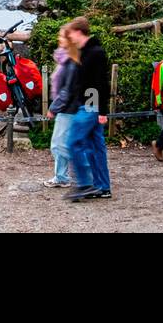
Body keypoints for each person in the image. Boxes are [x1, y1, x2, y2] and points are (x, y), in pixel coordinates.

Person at [64, 16, 112, 201]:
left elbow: (101, 83)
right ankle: (102, 186)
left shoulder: (93, 53)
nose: (71, 38)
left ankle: (85, 184)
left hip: (90, 105)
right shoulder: (87, 51)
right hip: (91, 104)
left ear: (78, 32)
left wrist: (101, 111)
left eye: (71, 34)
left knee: (74, 143)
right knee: (95, 147)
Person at [43, 26, 79, 188]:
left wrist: (54, 107)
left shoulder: (71, 62)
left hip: (68, 109)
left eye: (62, 37)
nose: (59, 39)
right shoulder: (66, 58)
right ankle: (61, 176)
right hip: (67, 108)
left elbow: (67, 90)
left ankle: (76, 173)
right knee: (63, 143)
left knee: (59, 144)